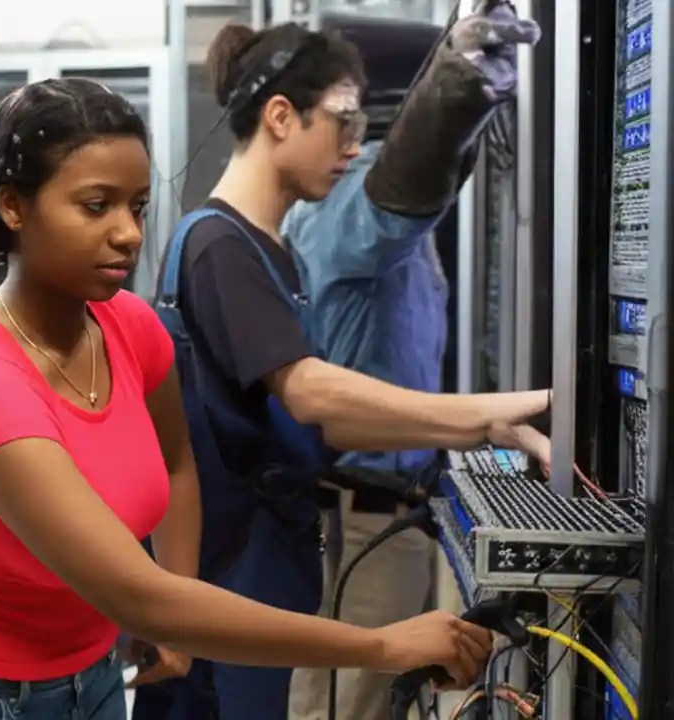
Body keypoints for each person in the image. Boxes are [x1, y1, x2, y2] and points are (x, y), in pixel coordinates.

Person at [0, 76, 495, 720]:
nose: (129, 234)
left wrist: (177, 593)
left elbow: (175, 463)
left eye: (135, 207)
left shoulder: (129, 327)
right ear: (14, 207)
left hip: (92, 673)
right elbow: (140, 599)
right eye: (95, 205)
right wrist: (382, 644)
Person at [130, 22, 551, 720]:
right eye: (344, 122)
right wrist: (483, 413)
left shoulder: (266, 250)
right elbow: (310, 391)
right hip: (234, 570)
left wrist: (483, 433)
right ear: (280, 117)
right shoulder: (217, 246)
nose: (354, 146)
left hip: (264, 566)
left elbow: (329, 417)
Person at [282, 7, 542, 719]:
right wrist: (459, 85)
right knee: (346, 706)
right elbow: (399, 191)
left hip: (391, 512)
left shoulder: (384, 225)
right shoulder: (345, 206)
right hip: (359, 517)